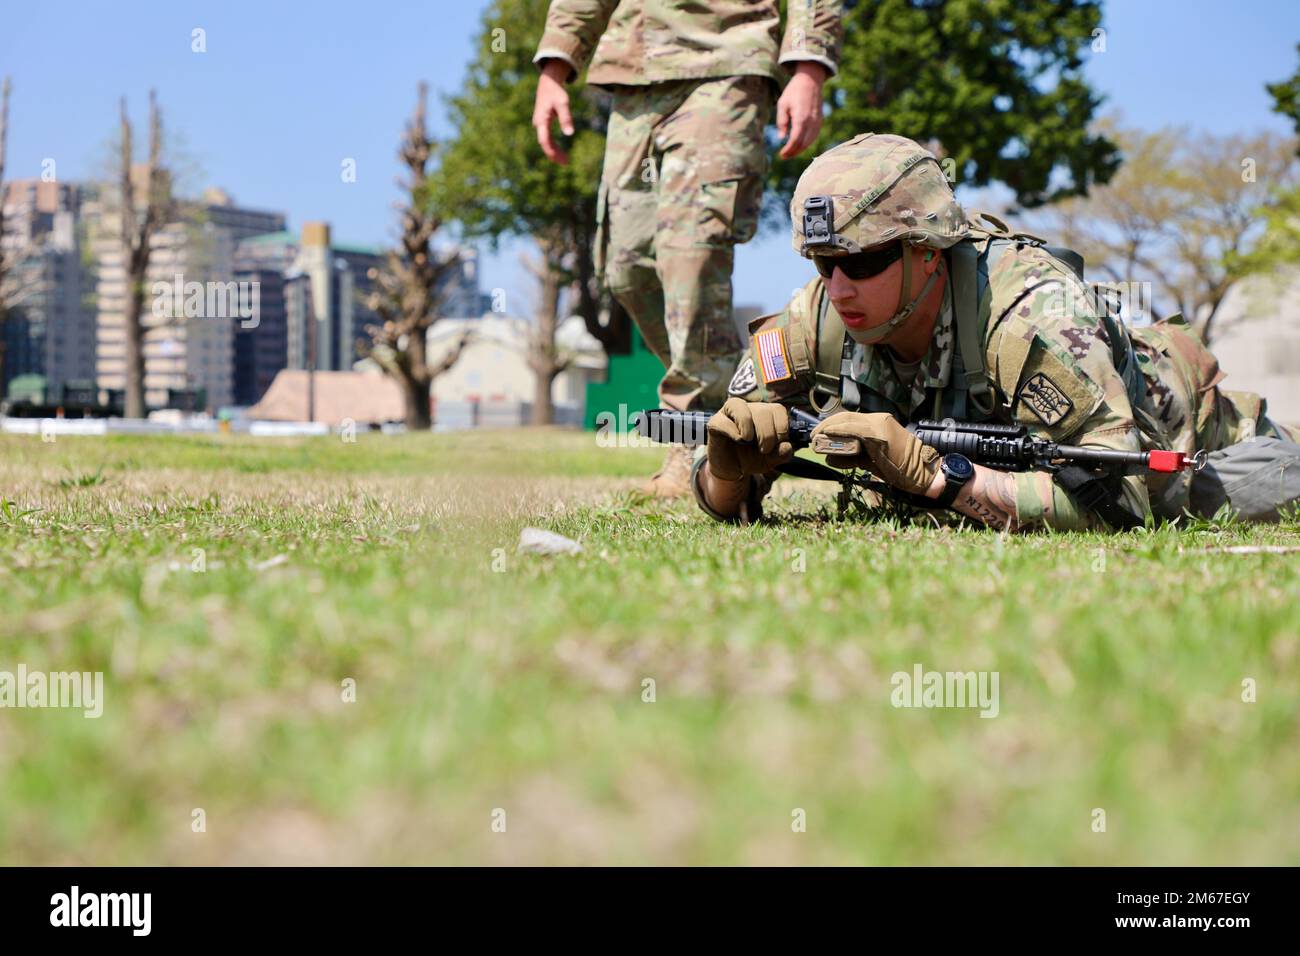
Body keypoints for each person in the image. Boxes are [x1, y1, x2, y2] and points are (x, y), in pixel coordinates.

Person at [694, 132, 1300, 529]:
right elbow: (724, 484)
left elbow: (1120, 503)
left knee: (1258, 492)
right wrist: (726, 473)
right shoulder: (812, 322)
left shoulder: (1029, 316)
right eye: (823, 264)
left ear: (928, 251)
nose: (838, 286)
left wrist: (937, 478)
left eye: (864, 262)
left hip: (1197, 439)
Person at [532, 0, 844, 496]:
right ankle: (747, 395)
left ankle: (697, 439)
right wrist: (556, 63)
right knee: (626, 268)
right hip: (634, 72)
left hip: (725, 60)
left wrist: (808, 64)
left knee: (692, 258)